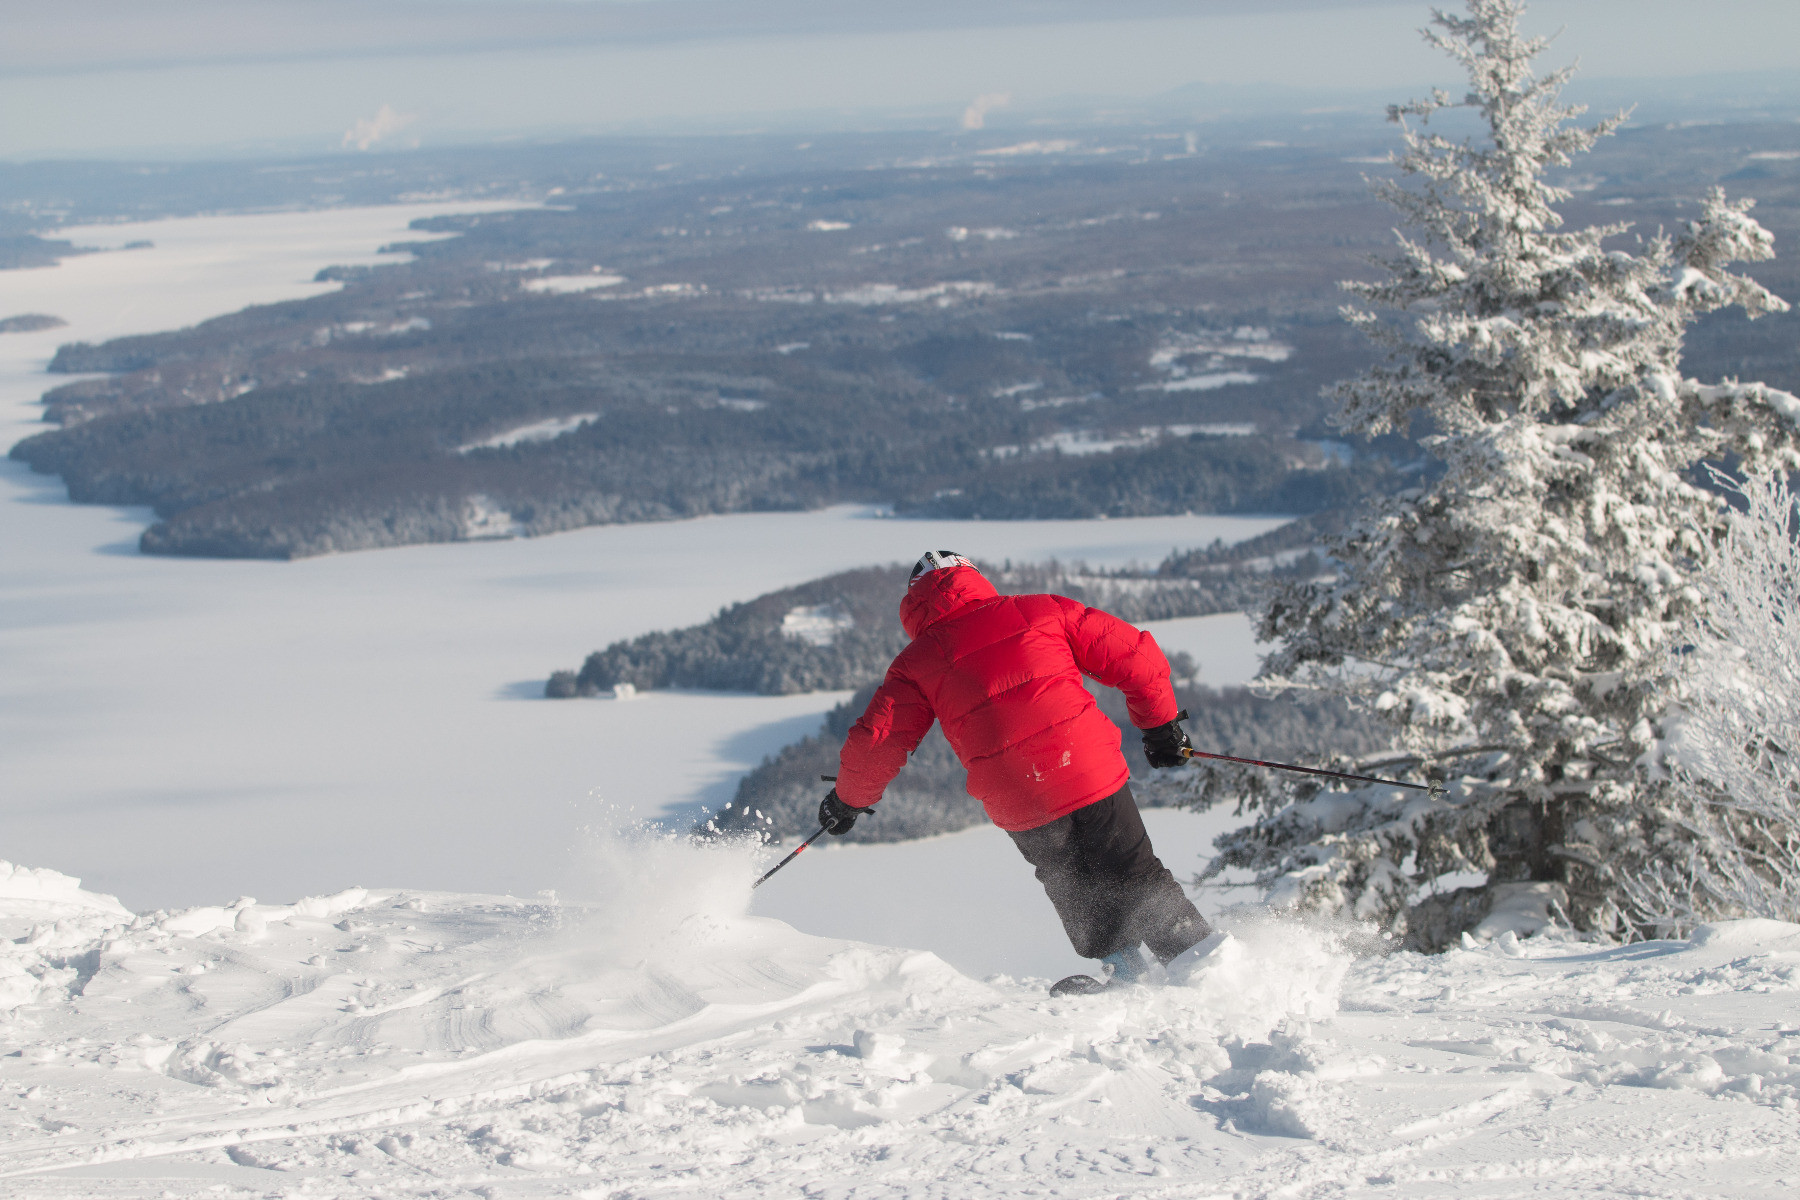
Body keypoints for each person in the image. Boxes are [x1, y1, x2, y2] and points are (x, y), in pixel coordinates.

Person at [823, 550, 1210, 993]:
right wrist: (1160, 728)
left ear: (915, 604)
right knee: (1135, 870)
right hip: (1086, 768)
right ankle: (1198, 965)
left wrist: (848, 800)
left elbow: (878, 740)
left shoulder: (916, 662)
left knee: (1068, 879)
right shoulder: (1041, 610)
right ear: (974, 579)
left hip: (1017, 796)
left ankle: (1125, 973)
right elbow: (1135, 658)